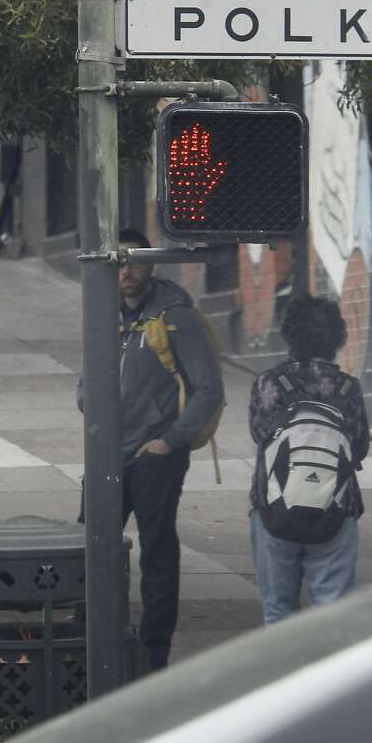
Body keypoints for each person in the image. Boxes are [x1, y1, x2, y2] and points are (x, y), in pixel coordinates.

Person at [77, 228, 224, 671]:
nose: (127, 272)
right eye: (120, 263)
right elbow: (87, 386)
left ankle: (152, 652)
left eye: (135, 261)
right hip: (106, 455)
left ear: (152, 264)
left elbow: (209, 390)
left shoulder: (176, 317)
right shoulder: (105, 316)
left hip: (154, 456)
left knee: (157, 552)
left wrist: (169, 441)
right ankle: (90, 642)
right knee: (88, 549)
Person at [248, 296, 369, 623]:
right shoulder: (348, 388)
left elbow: (260, 435)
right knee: (331, 612)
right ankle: (331, 675)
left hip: (274, 506)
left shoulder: (268, 383)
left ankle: (288, 674)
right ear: (337, 337)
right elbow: (358, 447)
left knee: (278, 609)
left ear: (289, 335)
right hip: (336, 507)